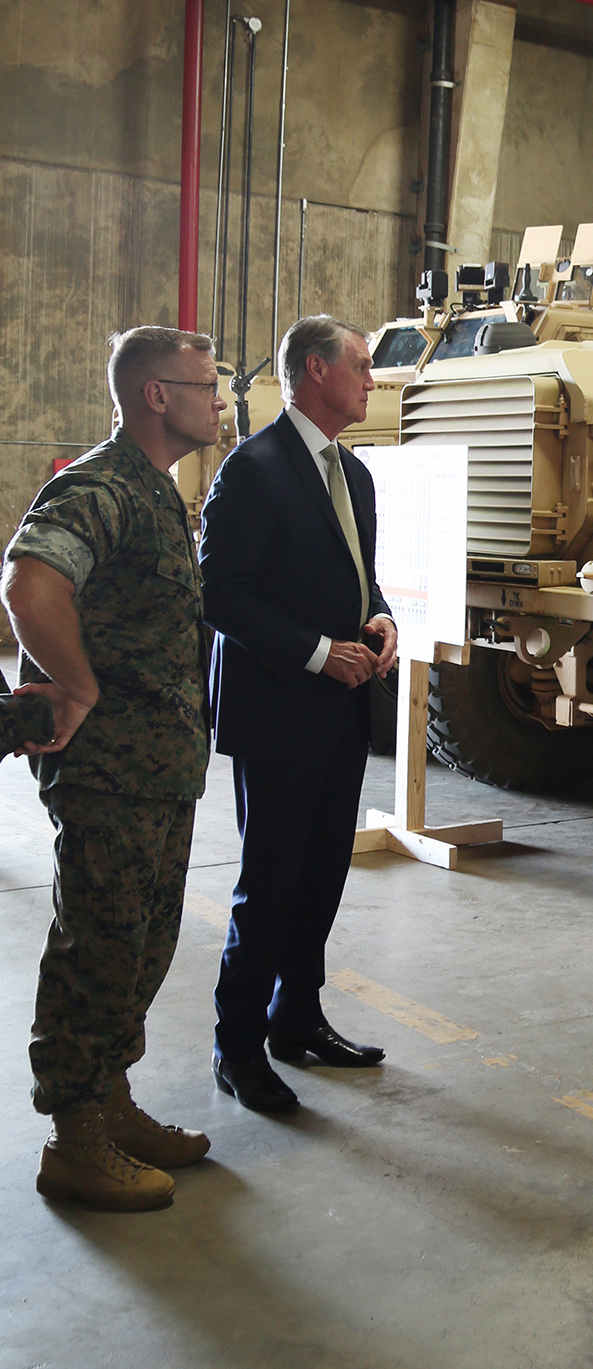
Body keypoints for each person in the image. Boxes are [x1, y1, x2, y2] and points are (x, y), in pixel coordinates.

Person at [1, 325, 222, 1210]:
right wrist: (75, 684)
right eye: (205, 386)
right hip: (110, 771)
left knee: (141, 943)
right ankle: (74, 1134)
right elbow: (30, 583)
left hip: (160, 769)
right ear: (155, 396)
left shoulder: (156, 491)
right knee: (98, 944)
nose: (219, 400)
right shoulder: (102, 484)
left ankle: (110, 1098)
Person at [200, 315, 397, 1113]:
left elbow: (359, 579)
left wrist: (378, 619)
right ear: (315, 371)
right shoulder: (254, 469)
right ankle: (238, 1047)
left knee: (320, 878)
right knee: (268, 887)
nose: (372, 380)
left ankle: (297, 1020)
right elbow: (222, 595)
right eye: (360, 365)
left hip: (340, 713)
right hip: (281, 710)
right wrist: (319, 651)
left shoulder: (354, 474)